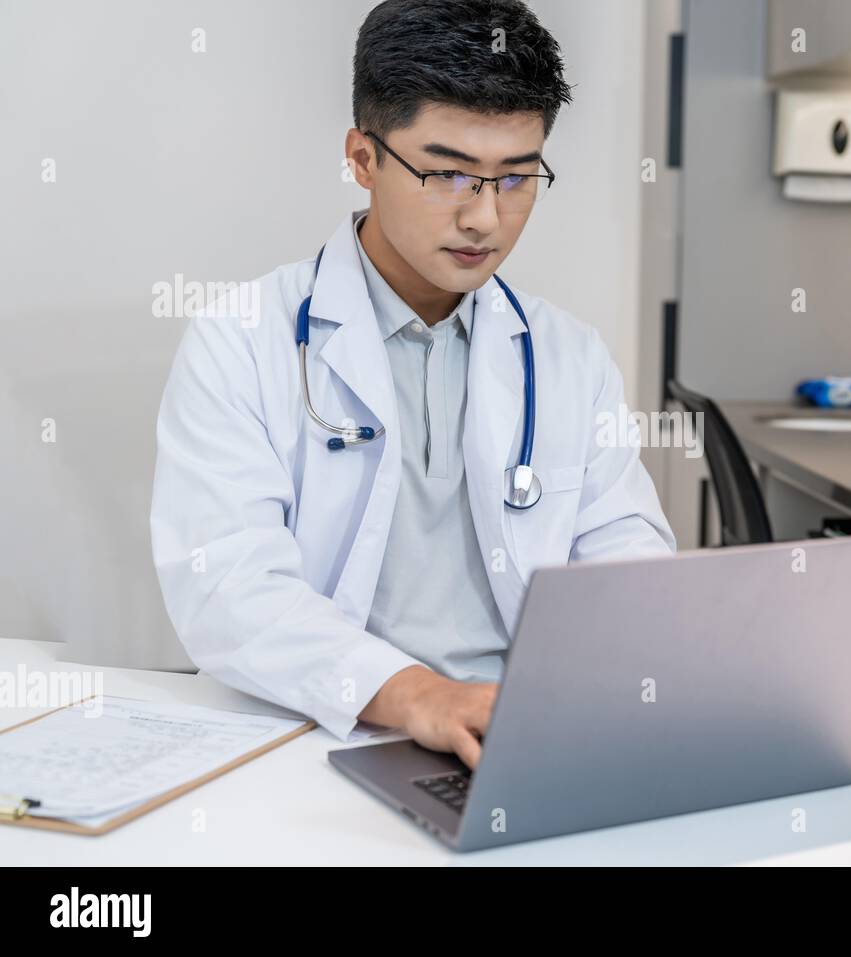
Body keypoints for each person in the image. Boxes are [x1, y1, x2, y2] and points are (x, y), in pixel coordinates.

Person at [150, 0, 674, 770]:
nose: (485, 218)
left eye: (517, 179)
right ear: (363, 158)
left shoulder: (568, 356)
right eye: (448, 173)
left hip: (515, 738)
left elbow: (626, 554)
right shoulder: (241, 340)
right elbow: (227, 585)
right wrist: (416, 692)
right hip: (322, 730)